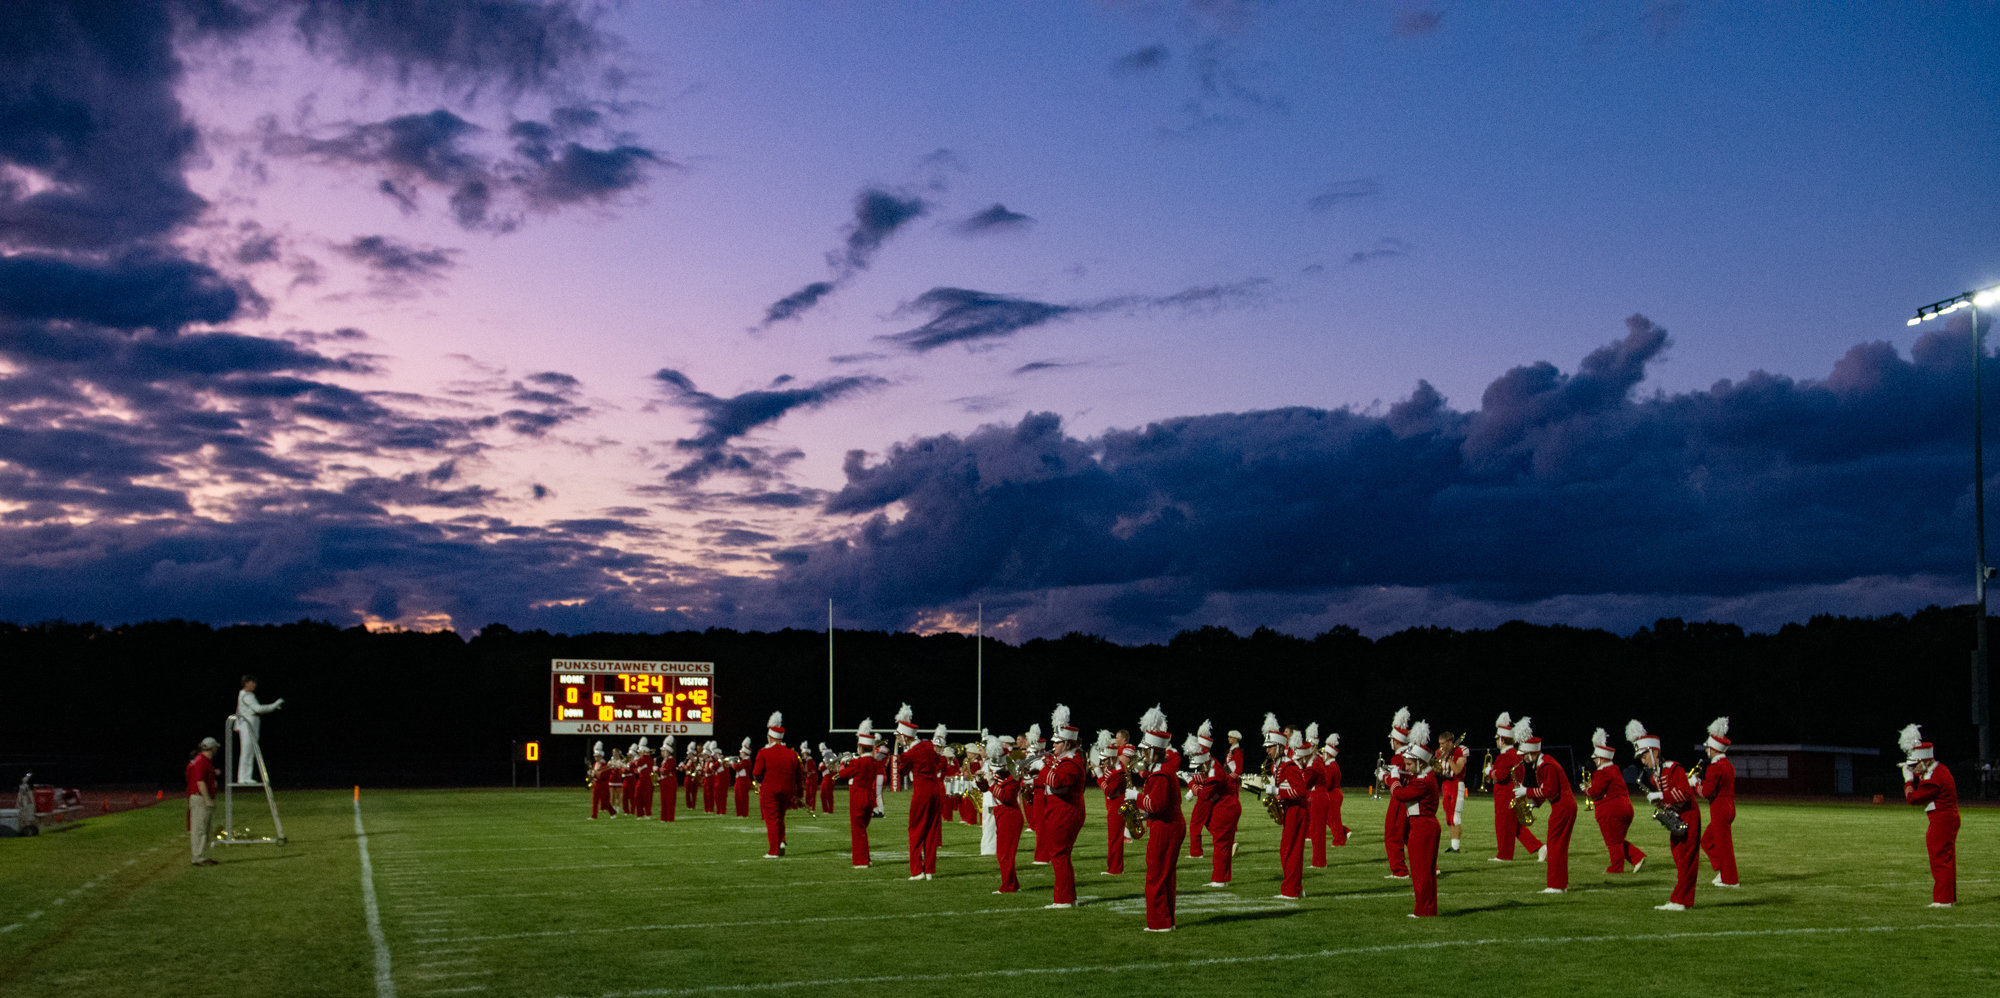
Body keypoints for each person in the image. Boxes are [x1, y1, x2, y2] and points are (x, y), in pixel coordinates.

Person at [1629, 719, 1700, 911]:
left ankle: (1681, 901)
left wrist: (1661, 795)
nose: (1643, 761)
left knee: (1686, 859)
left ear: (1655, 751)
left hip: (1689, 815)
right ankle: (1682, 899)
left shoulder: (1673, 768)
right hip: (1677, 816)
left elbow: (1685, 794)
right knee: (1678, 856)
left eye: (1644, 756)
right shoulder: (1655, 776)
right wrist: (1661, 803)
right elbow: (1670, 799)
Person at [1135, 706, 1185, 931]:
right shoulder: (1161, 772)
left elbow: (1156, 804)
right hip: (1167, 824)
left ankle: (1159, 922)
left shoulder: (1162, 775)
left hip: (1166, 827)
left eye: (1145, 751)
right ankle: (1167, 919)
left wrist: (1136, 798)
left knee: (1157, 873)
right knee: (1164, 875)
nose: (1143, 755)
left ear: (1155, 751)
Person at [1511, 717, 1574, 894]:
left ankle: (1556, 885)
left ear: (1531, 753)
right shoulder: (1543, 763)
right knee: (1556, 845)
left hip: (1563, 807)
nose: (1522, 758)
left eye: (1523, 755)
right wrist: (1533, 804)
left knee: (1555, 845)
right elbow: (1547, 790)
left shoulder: (1546, 765)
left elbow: (1550, 791)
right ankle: (1558, 884)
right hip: (1561, 806)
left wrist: (1527, 792)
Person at [1899, 724, 1958, 907]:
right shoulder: (1937, 769)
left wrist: (1908, 780)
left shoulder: (1933, 778)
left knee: (1939, 857)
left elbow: (1913, 798)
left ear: (1924, 762)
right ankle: (1948, 897)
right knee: (1946, 858)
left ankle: (1942, 900)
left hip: (1942, 819)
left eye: (1915, 766)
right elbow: (1924, 776)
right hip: (1946, 818)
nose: (1913, 770)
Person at [1039, 705, 1088, 908]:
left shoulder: (1072, 762)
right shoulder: (1064, 759)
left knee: (1059, 854)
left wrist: (1042, 769)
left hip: (1065, 810)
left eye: (1057, 743)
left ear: (1067, 744)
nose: (1054, 746)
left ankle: (1063, 899)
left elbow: (1058, 781)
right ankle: (1068, 897)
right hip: (1060, 808)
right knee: (1060, 854)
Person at [1394, 721, 1441, 917]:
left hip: (1422, 827)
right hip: (1424, 826)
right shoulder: (1424, 778)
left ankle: (1423, 910)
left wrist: (1393, 779)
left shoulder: (1422, 782)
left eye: (1410, 764)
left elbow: (1400, 795)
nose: (1407, 767)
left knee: (1421, 872)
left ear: (1421, 763)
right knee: (1425, 872)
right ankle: (1428, 908)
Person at [895, 704, 947, 880]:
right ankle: (930, 870)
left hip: (922, 792)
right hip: (935, 791)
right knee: (932, 830)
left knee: (916, 830)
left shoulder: (910, 753)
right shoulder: (927, 745)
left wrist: (902, 755)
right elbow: (942, 761)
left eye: (899, 736)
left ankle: (917, 870)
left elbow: (900, 771)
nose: (897, 739)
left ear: (905, 736)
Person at [1583, 728, 1645, 873]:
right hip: (1626, 807)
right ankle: (1637, 857)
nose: (1594, 761)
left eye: (1595, 758)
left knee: (1613, 841)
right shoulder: (1615, 769)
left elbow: (1595, 792)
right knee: (1617, 839)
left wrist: (1586, 789)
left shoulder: (1602, 772)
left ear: (1601, 758)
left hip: (1612, 809)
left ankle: (1616, 868)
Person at [1488, 712, 1545, 863]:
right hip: (1516, 792)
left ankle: (1504, 855)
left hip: (1505, 795)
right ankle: (1539, 847)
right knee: (1516, 827)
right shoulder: (1517, 755)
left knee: (1504, 825)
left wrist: (1489, 771)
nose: (1496, 741)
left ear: (1502, 739)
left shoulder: (1505, 756)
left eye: (1497, 739)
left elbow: (1500, 775)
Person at [1192, 722, 1241, 887]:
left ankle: (1219, 880)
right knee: (1223, 844)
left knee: (1220, 844)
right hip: (1227, 805)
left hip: (1225, 807)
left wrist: (1193, 786)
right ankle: (1224, 878)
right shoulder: (1211, 764)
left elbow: (1205, 794)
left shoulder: (1213, 769)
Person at [1267, 714, 1310, 899]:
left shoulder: (1288, 766)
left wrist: (1278, 791)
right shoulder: (1278, 766)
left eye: (1270, 747)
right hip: (1290, 810)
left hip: (1297, 810)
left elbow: (1300, 791)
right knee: (1287, 849)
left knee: (1290, 850)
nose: (1267, 751)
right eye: (1267, 747)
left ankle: (1291, 890)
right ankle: (1295, 888)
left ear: (1279, 747)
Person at [751, 712, 804, 857]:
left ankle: (773, 850)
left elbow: (756, 772)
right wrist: (799, 795)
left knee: (772, 819)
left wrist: (761, 781)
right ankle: (781, 841)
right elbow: (799, 777)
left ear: (770, 737)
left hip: (770, 789)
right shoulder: (792, 754)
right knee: (780, 817)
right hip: (787, 790)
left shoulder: (763, 752)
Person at [978, 734, 1026, 893]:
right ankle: (1013, 884)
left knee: (1005, 854)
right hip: (1001, 813)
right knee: (1003, 853)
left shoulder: (1013, 776)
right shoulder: (1002, 773)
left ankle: (1008, 886)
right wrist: (982, 782)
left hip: (1010, 815)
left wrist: (991, 782)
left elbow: (1006, 797)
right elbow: (987, 789)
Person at [1696, 717, 1739, 888]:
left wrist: (1695, 784)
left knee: (1724, 847)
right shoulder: (1728, 765)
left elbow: (1706, 792)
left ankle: (1730, 880)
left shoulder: (1715, 767)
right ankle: (1723, 871)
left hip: (1720, 808)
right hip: (1729, 806)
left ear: (1713, 749)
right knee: (1707, 841)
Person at [837, 720, 884, 867]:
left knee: (858, 831)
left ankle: (861, 861)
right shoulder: (874, 762)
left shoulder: (857, 762)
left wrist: (843, 762)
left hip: (858, 797)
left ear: (861, 747)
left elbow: (842, 774)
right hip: (870, 797)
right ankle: (866, 858)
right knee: (862, 830)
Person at [231, 675, 283, 785]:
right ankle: (242, 777)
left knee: (251, 750)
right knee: (247, 750)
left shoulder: (246, 695)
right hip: (248, 723)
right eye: (252, 682)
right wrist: (274, 705)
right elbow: (258, 708)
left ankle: (246, 776)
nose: (254, 685)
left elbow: (239, 710)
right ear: (246, 683)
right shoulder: (246, 695)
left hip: (252, 722)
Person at [1381, 707, 1412, 879]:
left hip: (1400, 800)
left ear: (1396, 740)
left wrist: (1383, 777)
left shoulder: (1397, 758)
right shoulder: (1411, 755)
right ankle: (1433, 866)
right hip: (1411, 799)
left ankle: (1399, 871)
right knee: (1410, 836)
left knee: (1392, 834)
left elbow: (1396, 782)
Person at [1093, 730, 1126, 876]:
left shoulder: (1119, 772)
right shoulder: (1112, 767)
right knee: (1113, 838)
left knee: (1115, 839)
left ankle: (1115, 869)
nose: (1103, 762)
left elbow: (1108, 791)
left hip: (1117, 807)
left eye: (1105, 760)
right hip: (1113, 806)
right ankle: (1114, 867)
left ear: (1112, 759)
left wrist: (1099, 776)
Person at [187, 736, 221, 866]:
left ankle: (202, 856)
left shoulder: (205, 760)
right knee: (200, 829)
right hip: (200, 798)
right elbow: (200, 781)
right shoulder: (202, 760)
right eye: (215, 747)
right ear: (211, 748)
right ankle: (198, 857)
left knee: (205, 829)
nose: (216, 749)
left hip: (202, 797)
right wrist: (207, 799)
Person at [1436, 729, 1469, 853]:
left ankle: (1456, 847)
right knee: (1449, 818)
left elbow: (1457, 770)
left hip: (1457, 784)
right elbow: (1437, 771)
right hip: (1445, 785)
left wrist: (1448, 758)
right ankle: (1453, 845)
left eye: (1443, 743)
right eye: (1440, 743)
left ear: (1450, 742)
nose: (1441, 746)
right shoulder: (1439, 752)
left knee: (1455, 817)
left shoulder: (1460, 751)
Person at [1303, 723, 1330, 868]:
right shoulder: (1315, 760)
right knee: (1315, 830)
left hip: (1319, 796)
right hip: (1317, 795)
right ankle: (1318, 861)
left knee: (1318, 832)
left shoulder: (1316, 762)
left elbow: (1305, 781)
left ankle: (1319, 862)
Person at [1321, 733, 1350, 846]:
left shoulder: (1330, 766)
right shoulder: (1334, 765)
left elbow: (1327, 783)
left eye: (1323, 753)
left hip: (1333, 794)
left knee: (1334, 819)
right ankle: (1344, 831)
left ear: (1328, 754)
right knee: (1329, 818)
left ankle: (1339, 840)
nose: (1322, 755)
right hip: (1336, 793)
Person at [588, 742, 617, 819]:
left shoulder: (605, 764)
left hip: (603, 784)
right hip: (596, 784)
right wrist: (592, 774)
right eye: (595, 756)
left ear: (601, 756)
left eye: (597, 756)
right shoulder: (595, 764)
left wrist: (596, 774)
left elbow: (604, 775)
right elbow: (596, 773)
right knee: (595, 800)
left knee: (605, 801)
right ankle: (594, 815)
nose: (595, 758)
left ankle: (612, 812)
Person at [631, 739, 655, 819]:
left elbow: (637, 763)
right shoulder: (643, 758)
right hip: (641, 780)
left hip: (647, 780)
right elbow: (634, 767)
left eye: (640, 751)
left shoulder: (646, 757)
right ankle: (640, 814)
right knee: (637, 796)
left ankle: (647, 814)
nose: (639, 753)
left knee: (647, 797)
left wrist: (634, 761)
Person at [658, 736, 678, 822]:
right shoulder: (664, 761)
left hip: (669, 781)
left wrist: (657, 769)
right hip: (664, 781)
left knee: (669, 800)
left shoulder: (671, 760)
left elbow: (666, 771)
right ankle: (664, 817)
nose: (662, 752)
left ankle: (670, 817)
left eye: (663, 751)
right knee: (663, 800)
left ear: (668, 752)